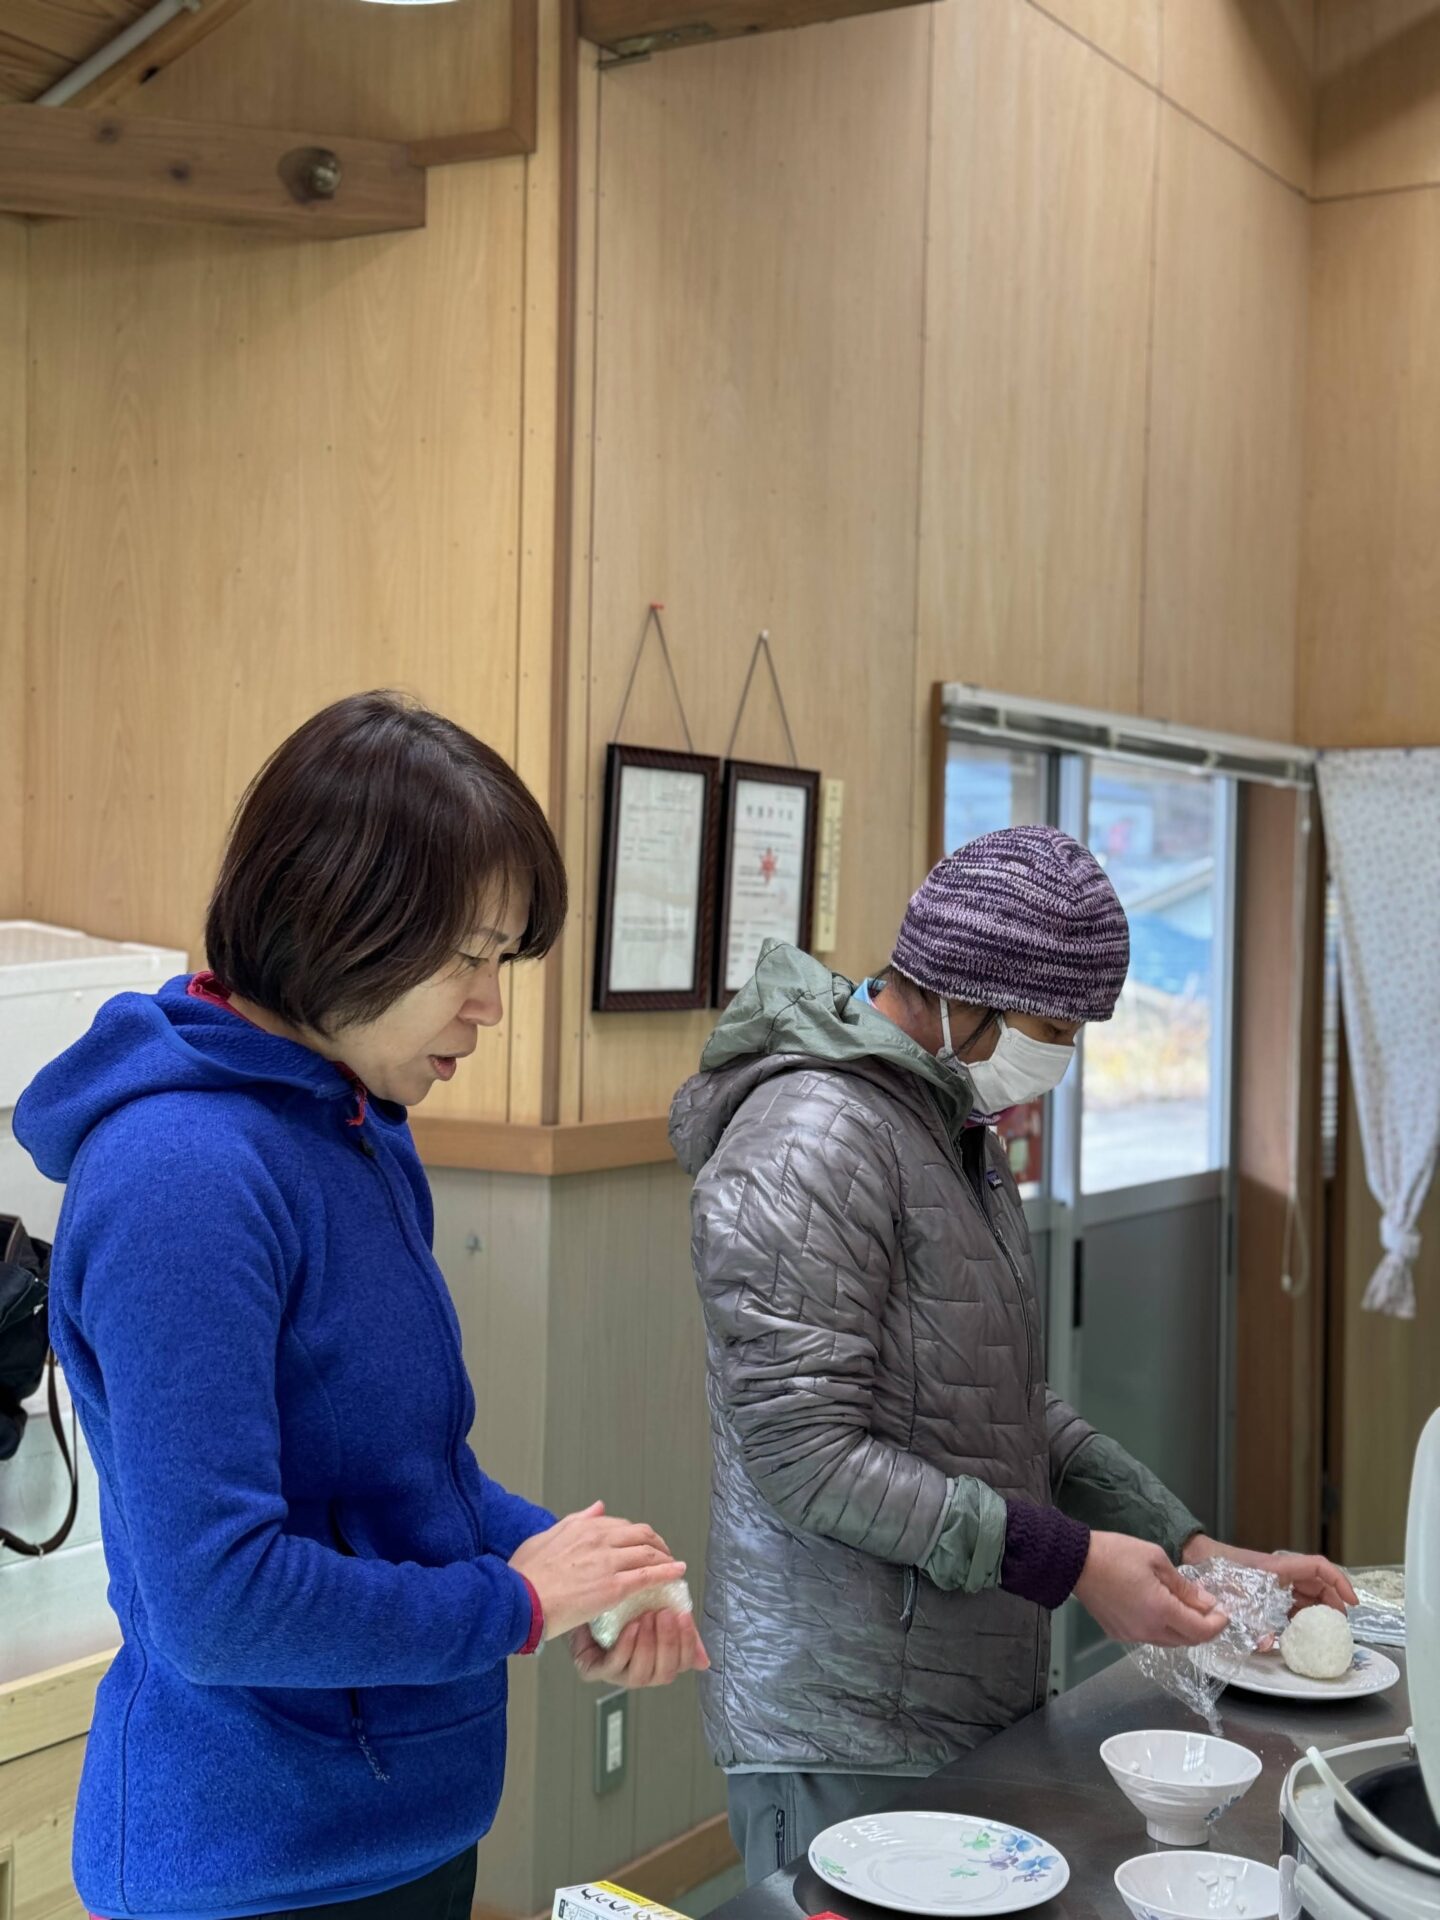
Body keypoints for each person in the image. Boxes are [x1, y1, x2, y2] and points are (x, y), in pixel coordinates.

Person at [16, 693, 707, 1920]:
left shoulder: (358, 1127)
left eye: (504, 961)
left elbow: (411, 1484)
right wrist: (518, 1602)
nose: (491, 1005)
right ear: (339, 917)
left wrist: (583, 1569)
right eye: (469, 958)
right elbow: (219, 1602)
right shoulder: (182, 1176)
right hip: (250, 1869)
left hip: (409, 1827)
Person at [669, 825, 1354, 1885]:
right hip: (844, 1722)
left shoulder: (947, 1126)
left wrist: (1192, 1547)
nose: (1061, 1059)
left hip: (953, 1698)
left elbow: (1007, 1407)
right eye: (1052, 1028)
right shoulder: (812, 1139)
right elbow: (805, 1457)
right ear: (964, 996)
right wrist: (1069, 1561)